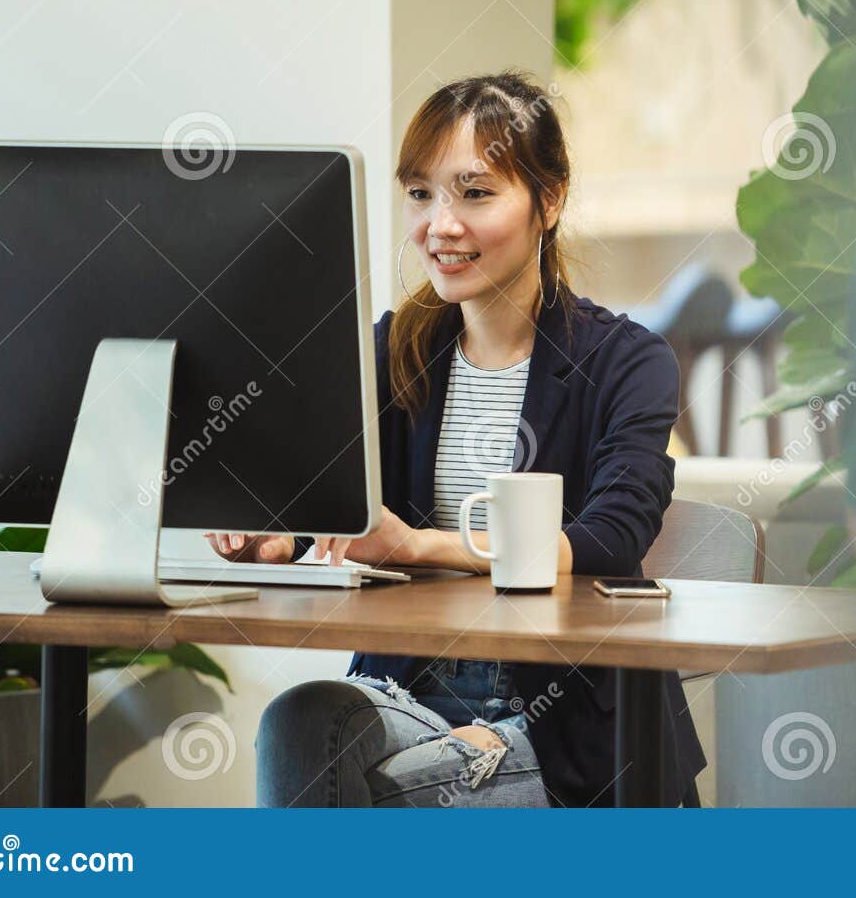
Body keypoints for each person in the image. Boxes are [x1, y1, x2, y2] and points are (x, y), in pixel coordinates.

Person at [208, 71, 704, 807]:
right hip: (411, 690)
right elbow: (340, 497)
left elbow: (612, 536)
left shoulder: (627, 361)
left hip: (560, 722)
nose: (441, 224)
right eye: (420, 193)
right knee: (298, 724)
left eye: (475, 193)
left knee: (370, 799)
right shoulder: (393, 349)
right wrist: (282, 537)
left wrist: (417, 545)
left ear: (551, 197)